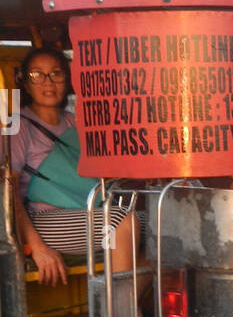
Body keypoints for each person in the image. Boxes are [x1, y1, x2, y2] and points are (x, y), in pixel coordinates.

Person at [8, 48, 141, 287]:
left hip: (85, 210)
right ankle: (120, 316)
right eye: (37, 75)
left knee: (157, 225)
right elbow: (8, 190)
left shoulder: (72, 120)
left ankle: (118, 304)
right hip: (45, 221)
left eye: (56, 74)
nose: (48, 83)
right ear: (26, 84)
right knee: (123, 222)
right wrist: (37, 247)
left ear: (66, 80)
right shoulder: (17, 126)